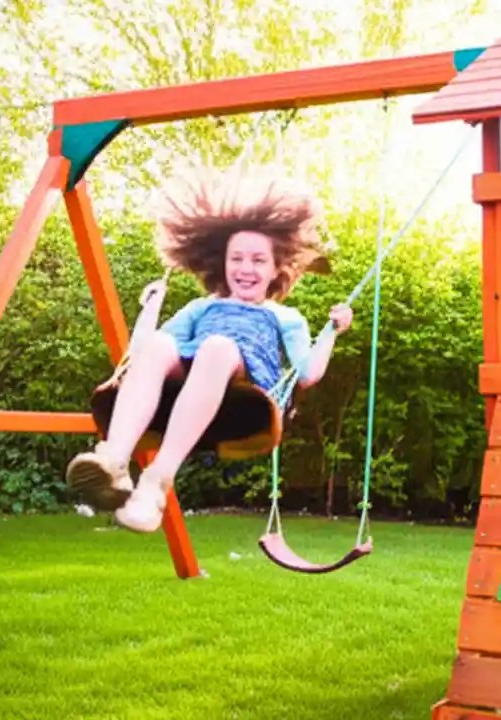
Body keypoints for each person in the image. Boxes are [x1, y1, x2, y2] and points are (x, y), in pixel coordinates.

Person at [65, 166, 352, 534]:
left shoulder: (285, 316)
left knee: (217, 347)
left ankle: (157, 483)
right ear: (223, 262)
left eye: (258, 260)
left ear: (276, 267)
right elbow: (141, 357)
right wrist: (150, 309)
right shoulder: (200, 308)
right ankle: (114, 464)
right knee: (165, 344)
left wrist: (331, 331)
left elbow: (307, 373)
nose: (245, 268)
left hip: (247, 392)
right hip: (190, 376)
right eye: (237, 258)